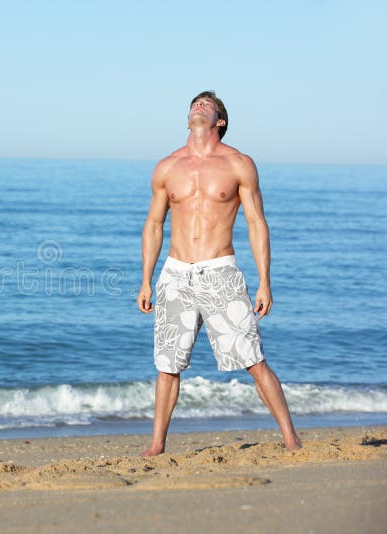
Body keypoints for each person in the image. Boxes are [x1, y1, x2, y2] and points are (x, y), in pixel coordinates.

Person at [136, 90, 302, 456]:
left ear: (220, 121)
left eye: (207, 105)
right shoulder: (167, 167)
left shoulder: (239, 164)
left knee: (253, 360)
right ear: (187, 120)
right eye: (195, 103)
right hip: (176, 273)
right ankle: (156, 444)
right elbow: (153, 224)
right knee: (168, 365)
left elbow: (257, 223)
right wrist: (147, 279)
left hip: (220, 272)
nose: (198, 106)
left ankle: (291, 438)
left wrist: (265, 282)